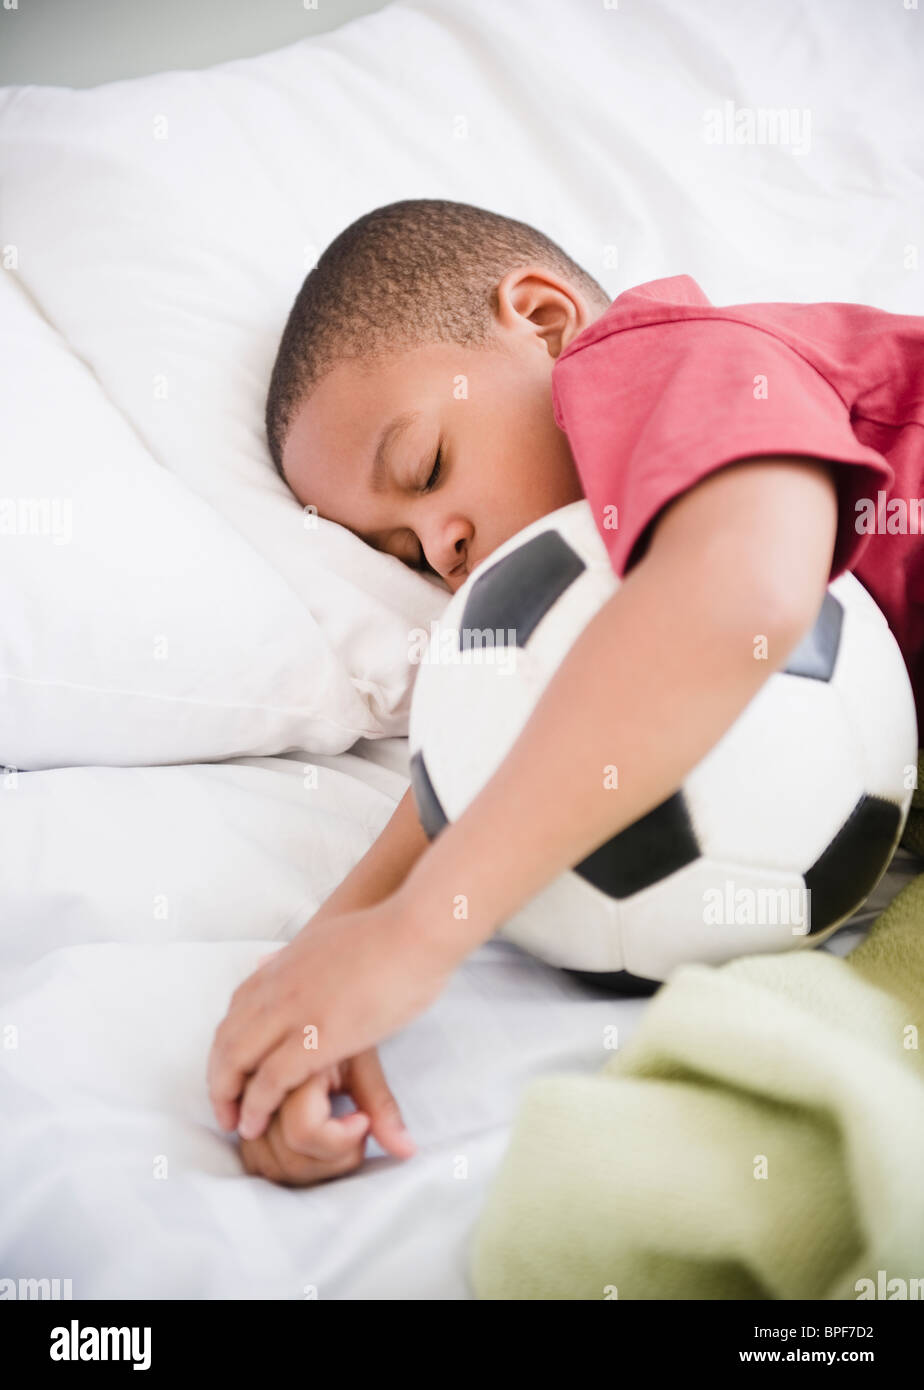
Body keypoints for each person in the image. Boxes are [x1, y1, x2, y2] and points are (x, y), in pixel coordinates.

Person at [208, 198, 924, 1186]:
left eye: (426, 467)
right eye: (398, 552)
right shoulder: (587, 590)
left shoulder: (656, 358)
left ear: (545, 323)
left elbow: (740, 596)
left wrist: (424, 931)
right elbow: (536, 740)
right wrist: (324, 970)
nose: (442, 549)